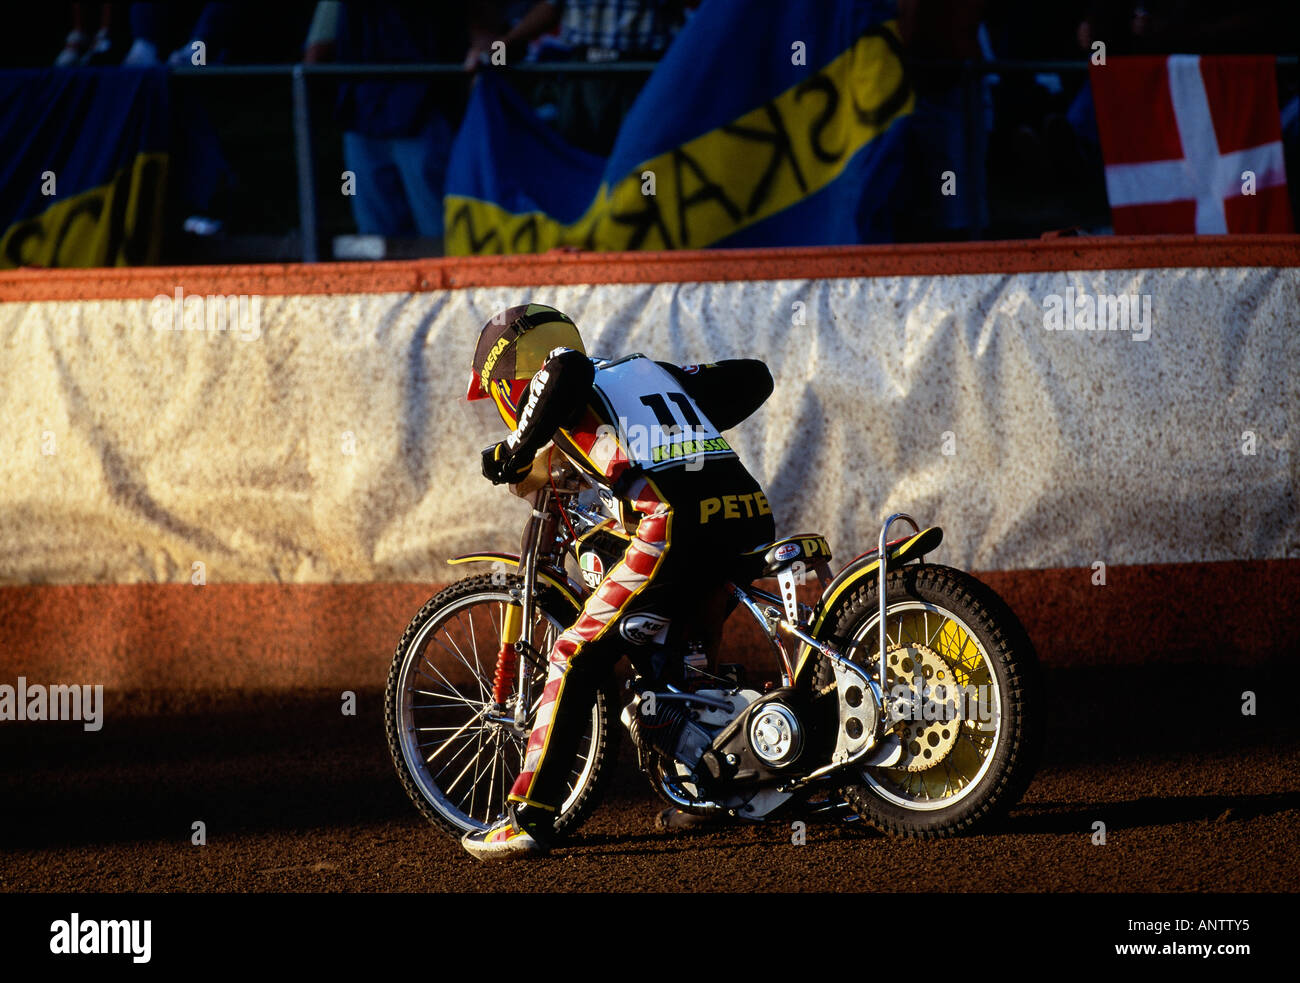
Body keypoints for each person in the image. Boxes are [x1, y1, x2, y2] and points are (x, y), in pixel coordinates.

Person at [462, 303, 775, 859]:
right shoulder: (643, 372)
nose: (502, 411)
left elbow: (563, 368)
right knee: (683, 653)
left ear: (511, 379)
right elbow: (756, 377)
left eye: (497, 398)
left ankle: (528, 815)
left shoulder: (566, 374)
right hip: (747, 510)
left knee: (572, 652)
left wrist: (517, 448)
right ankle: (711, 784)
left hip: (676, 520)